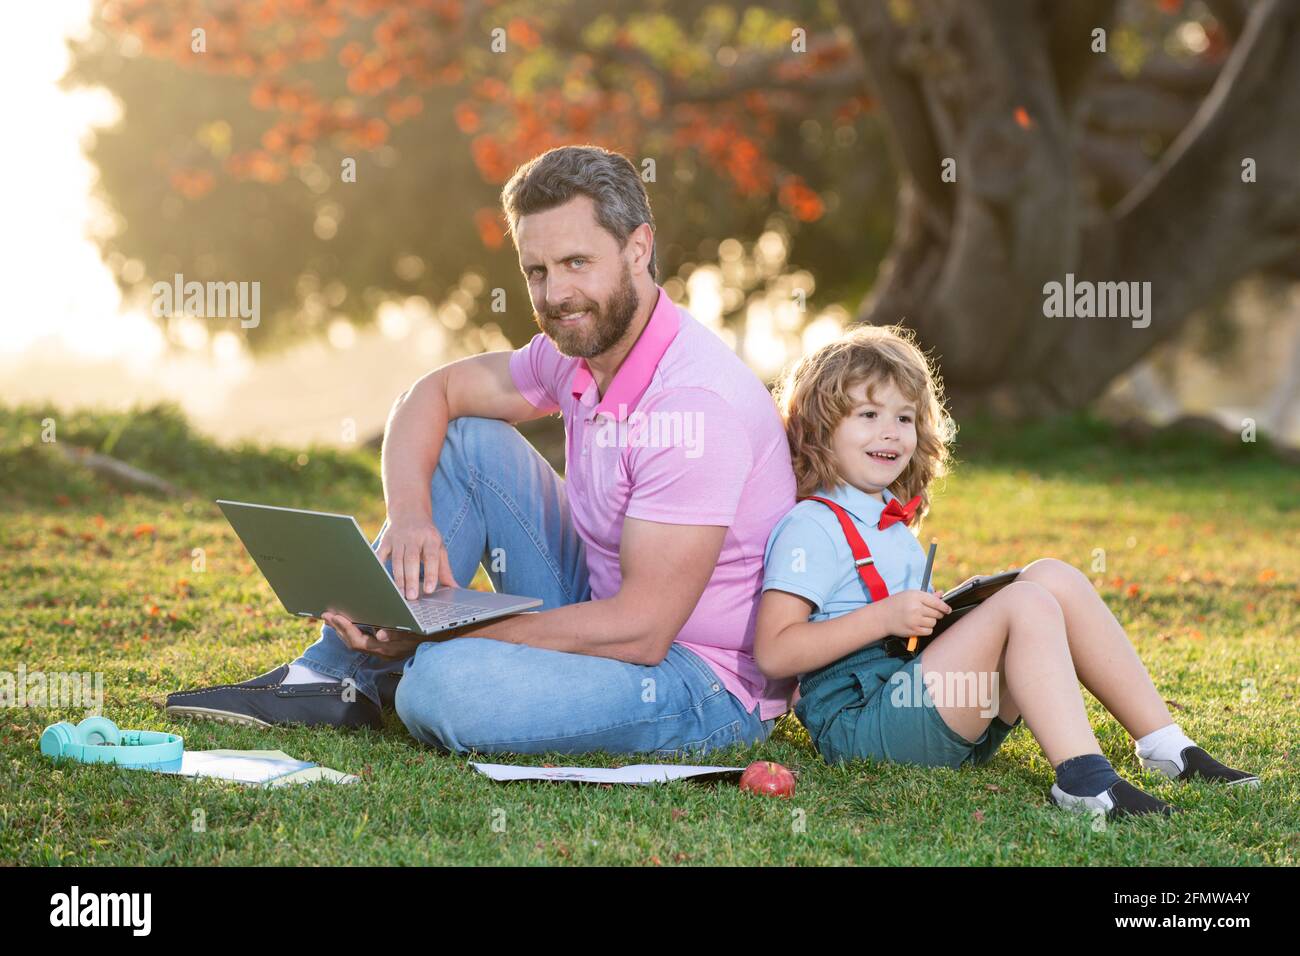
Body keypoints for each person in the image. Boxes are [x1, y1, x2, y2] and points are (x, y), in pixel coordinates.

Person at [168, 144, 797, 755]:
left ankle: (403, 662)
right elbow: (432, 394)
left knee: (443, 686)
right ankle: (336, 680)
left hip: (696, 677)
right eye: (537, 271)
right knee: (468, 438)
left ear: (638, 247)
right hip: (600, 605)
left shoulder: (691, 405)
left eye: (577, 262)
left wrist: (451, 631)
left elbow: (643, 629)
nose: (555, 297)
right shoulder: (577, 354)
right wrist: (412, 516)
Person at [754, 324, 1259, 818]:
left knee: (1051, 577)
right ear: (821, 428)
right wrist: (885, 618)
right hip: (863, 727)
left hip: (925, 705)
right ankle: (1084, 783)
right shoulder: (813, 526)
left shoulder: (888, 516)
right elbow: (776, 651)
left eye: (905, 418)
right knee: (1023, 602)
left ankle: (1168, 747)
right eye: (868, 414)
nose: (891, 432)